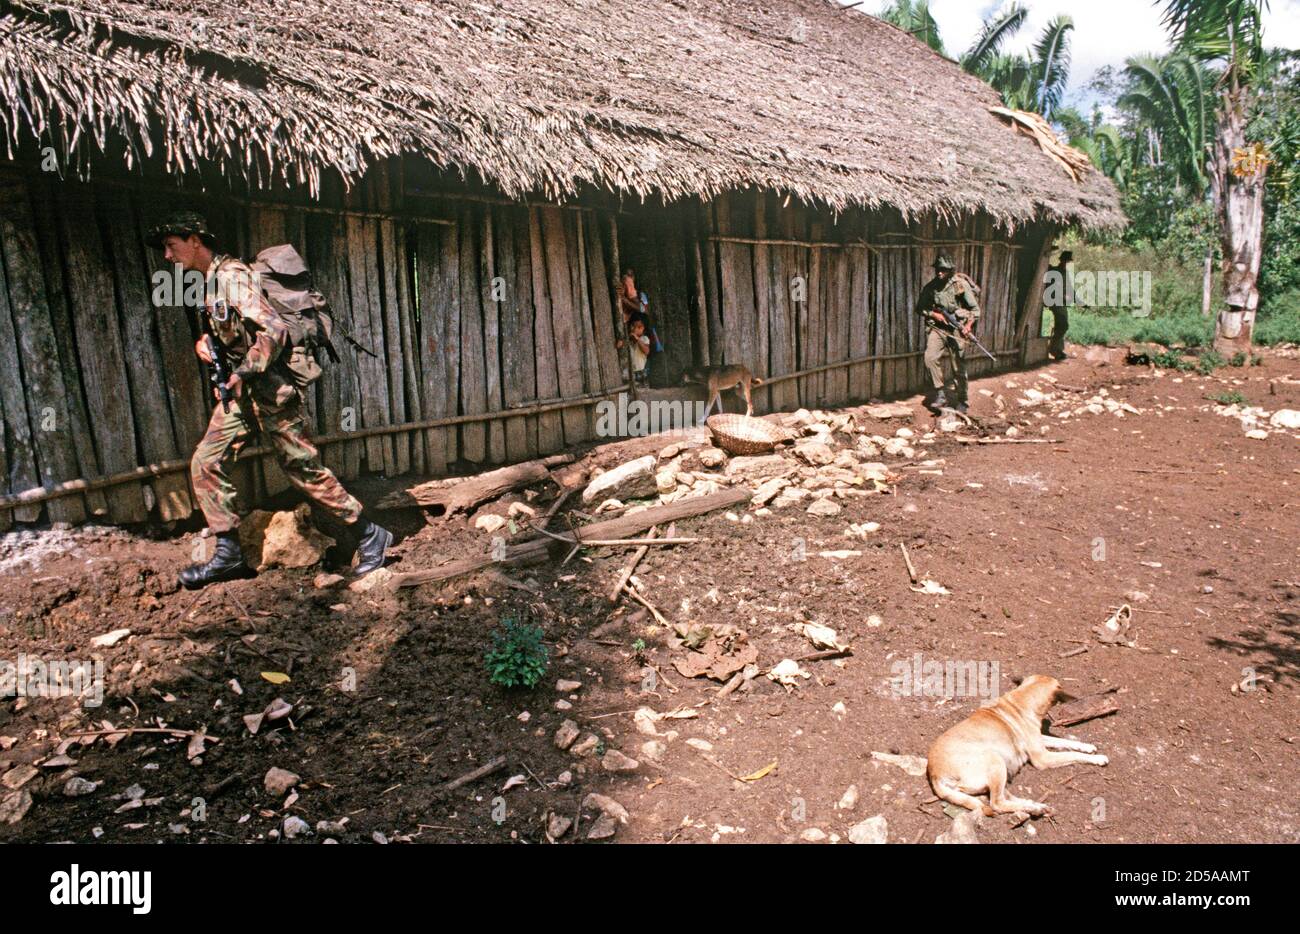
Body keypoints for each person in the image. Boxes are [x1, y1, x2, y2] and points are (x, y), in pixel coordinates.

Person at [147, 212, 392, 589]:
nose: (167, 255)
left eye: (171, 245)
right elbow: (238, 334)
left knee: (304, 470)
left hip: (271, 392)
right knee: (206, 461)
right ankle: (229, 554)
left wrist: (242, 372)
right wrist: (210, 349)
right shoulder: (212, 281)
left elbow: (274, 330)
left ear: (195, 239)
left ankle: (369, 534)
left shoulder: (230, 276)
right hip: (245, 397)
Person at [915, 254, 981, 414]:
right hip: (938, 329)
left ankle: (963, 400)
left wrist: (968, 326)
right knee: (929, 358)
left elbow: (975, 310)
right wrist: (933, 315)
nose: (939, 273)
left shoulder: (960, 285)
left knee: (958, 365)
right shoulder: (931, 287)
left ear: (950, 271)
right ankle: (941, 394)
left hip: (957, 329)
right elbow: (920, 308)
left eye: (943, 270)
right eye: (938, 270)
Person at [1045, 250, 1073, 360]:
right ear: (1061, 260)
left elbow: (1070, 289)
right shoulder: (1054, 271)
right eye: (1064, 261)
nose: (1065, 263)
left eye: (1067, 261)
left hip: (1061, 301)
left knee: (1062, 325)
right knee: (1063, 325)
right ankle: (1053, 349)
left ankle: (1058, 350)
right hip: (1055, 301)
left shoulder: (1065, 273)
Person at [617, 317, 651, 384]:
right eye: (633, 326)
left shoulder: (644, 338)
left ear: (643, 329)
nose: (635, 329)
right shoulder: (629, 340)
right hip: (628, 370)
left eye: (639, 327)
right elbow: (618, 346)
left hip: (639, 371)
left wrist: (638, 339)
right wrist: (625, 338)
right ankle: (623, 395)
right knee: (624, 388)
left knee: (639, 390)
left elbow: (647, 351)